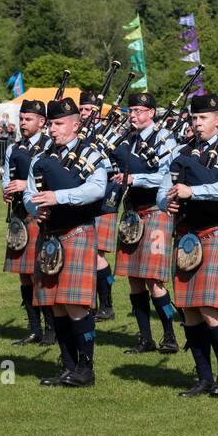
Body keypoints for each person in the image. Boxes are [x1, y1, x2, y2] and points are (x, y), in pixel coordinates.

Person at [158, 93, 218, 397]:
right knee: (189, 311)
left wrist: (192, 192)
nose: (197, 124)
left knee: (209, 309)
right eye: (194, 118)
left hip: (213, 234)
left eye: (203, 118)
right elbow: (163, 189)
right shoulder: (182, 152)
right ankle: (204, 377)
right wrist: (166, 201)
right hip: (185, 236)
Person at [24, 95, 108, 387]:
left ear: (75, 124)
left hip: (77, 231)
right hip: (49, 235)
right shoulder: (41, 158)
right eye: (51, 124)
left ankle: (86, 369)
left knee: (74, 304)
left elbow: (96, 189)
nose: (53, 130)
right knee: (54, 304)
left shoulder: (92, 153)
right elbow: (29, 192)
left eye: (59, 124)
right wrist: (37, 206)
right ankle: (68, 365)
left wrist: (58, 197)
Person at [111, 92, 182, 354]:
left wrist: (134, 179)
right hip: (132, 213)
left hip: (155, 212)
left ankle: (170, 335)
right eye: (131, 111)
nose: (134, 115)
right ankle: (145, 339)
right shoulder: (128, 140)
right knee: (134, 279)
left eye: (139, 111)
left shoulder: (165, 140)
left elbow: (166, 176)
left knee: (154, 280)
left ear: (151, 113)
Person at [2, 99, 55, 346]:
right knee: (24, 275)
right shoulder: (14, 148)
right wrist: (7, 189)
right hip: (19, 217)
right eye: (21, 119)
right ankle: (34, 329)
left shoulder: (51, 146)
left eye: (28, 119)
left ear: (42, 122)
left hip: (41, 216)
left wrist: (26, 185)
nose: (23, 123)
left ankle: (51, 328)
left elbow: (57, 179)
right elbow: (6, 175)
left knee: (41, 273)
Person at [80, 90, 118, 321]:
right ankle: (89, 303)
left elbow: (113, 164)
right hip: (83, 197)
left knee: (97, 254)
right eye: (82, 109)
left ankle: (106, 304)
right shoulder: (78, 133)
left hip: (104, 197)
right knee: (85, 255)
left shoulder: (110, 135)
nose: (85, 114)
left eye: (89, 110)